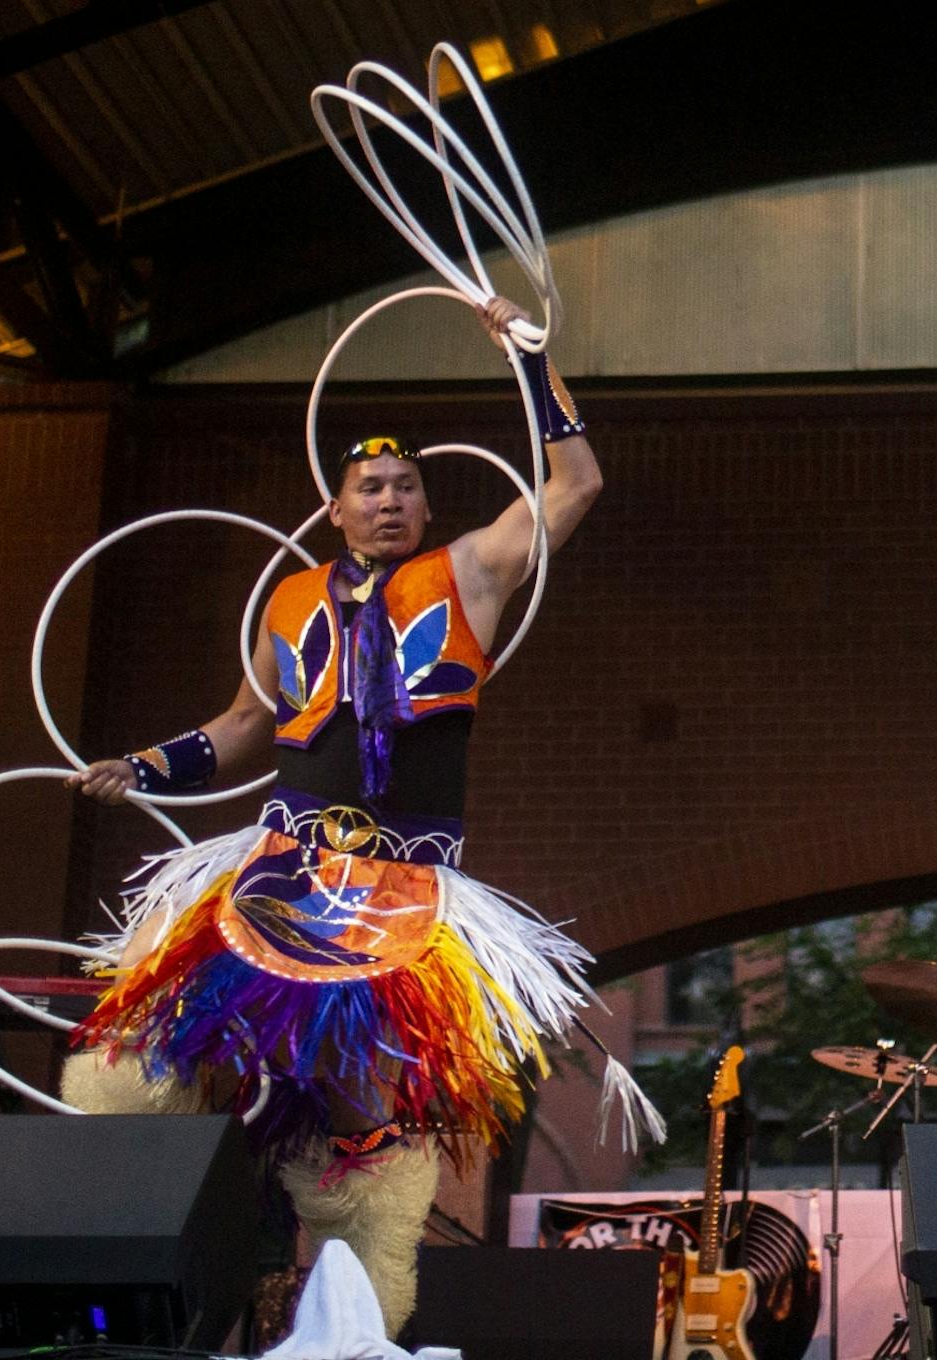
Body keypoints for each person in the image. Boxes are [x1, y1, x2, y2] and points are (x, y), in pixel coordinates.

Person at [60, 296, 600, 1334]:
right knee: (180, 1045)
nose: (389, 499)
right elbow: (242, 724)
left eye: (405, 486)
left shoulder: (470, 574)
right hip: (281, 869)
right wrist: (142, 765)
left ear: (427, 505)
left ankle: (355, 1314)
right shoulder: (291, 599)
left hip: (398, 888)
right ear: (337, 505)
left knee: (360, 1112)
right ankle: (155, 1271)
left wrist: (531, 362)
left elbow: (576, 482)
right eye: (370, 486)